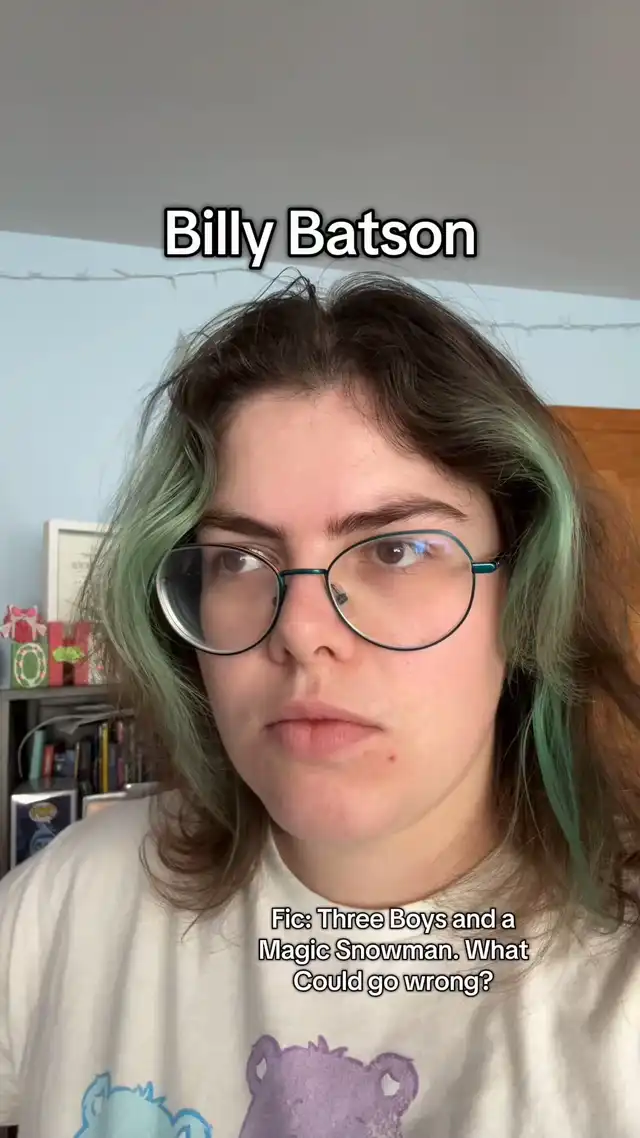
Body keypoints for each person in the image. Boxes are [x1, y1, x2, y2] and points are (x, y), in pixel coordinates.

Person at [1, 273, 640, 1138]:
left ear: (525, 598)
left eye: (397, 549)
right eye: (237, 559)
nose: (301, 632)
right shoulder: (72, 899)